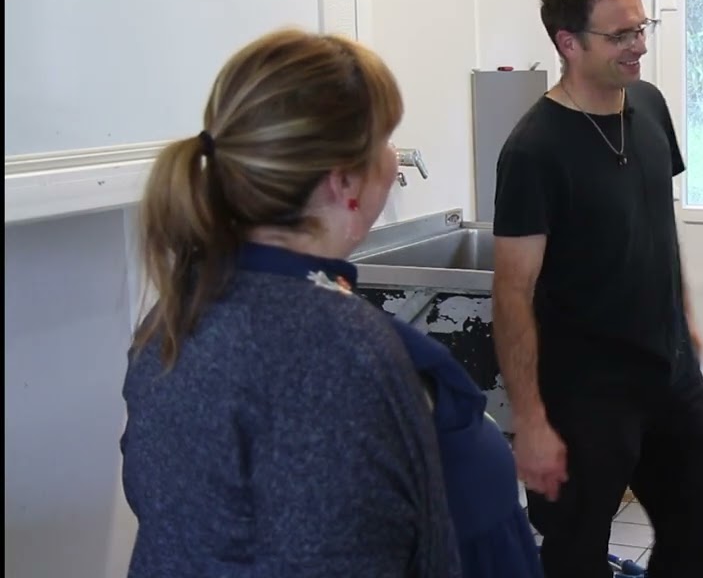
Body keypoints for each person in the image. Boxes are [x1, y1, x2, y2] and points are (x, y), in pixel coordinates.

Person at [120, 28, 540, 578]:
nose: (394, 157)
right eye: (387, 140)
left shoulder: (175, 316)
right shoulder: (348, 351)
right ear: (345, 182)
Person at [491, 0, 703, 577]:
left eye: (641, 27)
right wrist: (530, 421)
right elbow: (512, 292)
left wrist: (684, 316)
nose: (639, 46)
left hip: (668, 371)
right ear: (568, 43)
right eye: (620, 35)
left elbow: (657, 223)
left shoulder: (648, 106)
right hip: (585, 392)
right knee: (575, 552)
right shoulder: (534, 150)